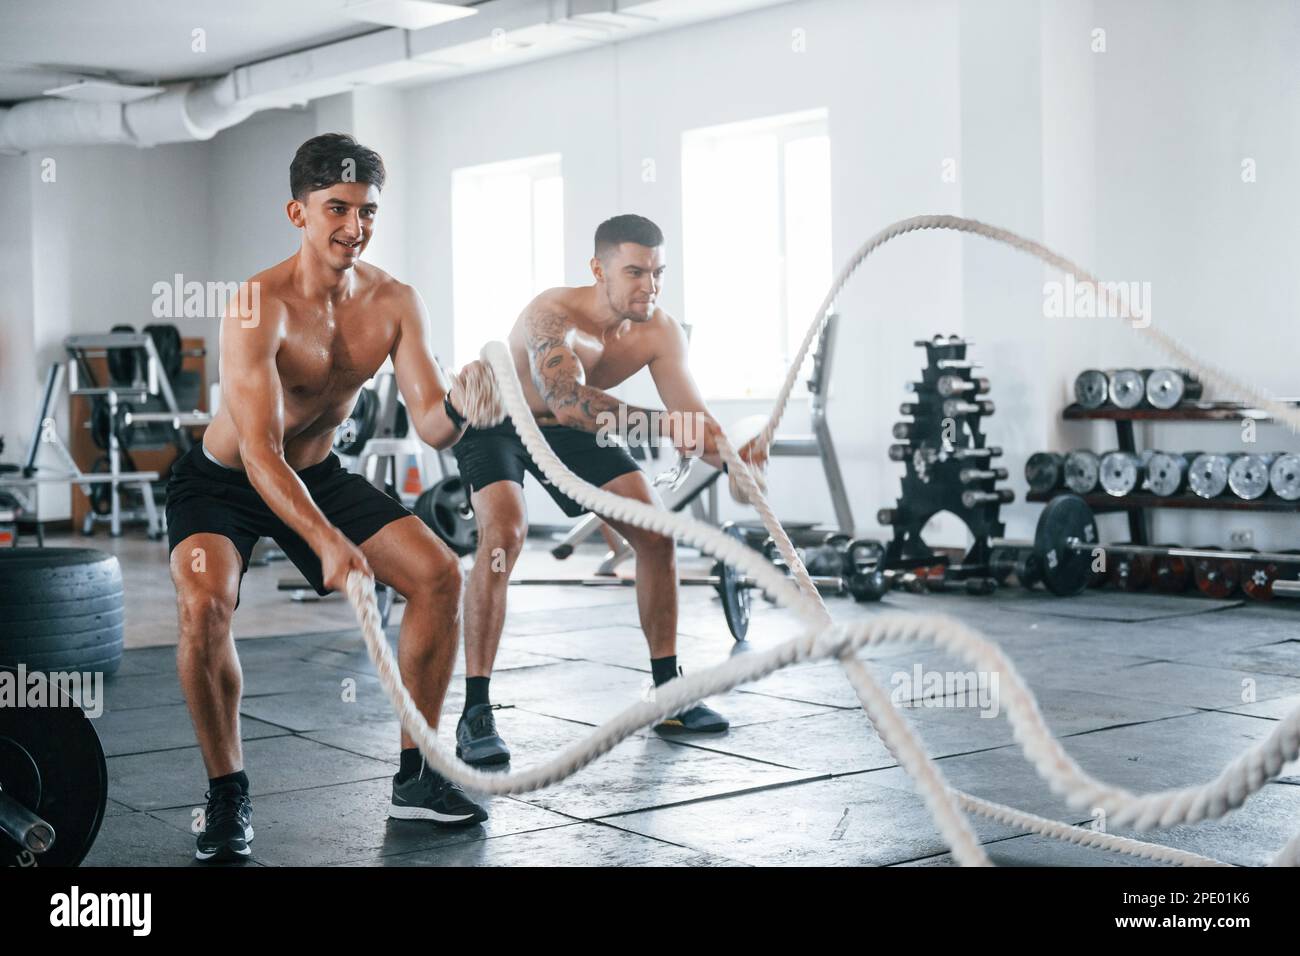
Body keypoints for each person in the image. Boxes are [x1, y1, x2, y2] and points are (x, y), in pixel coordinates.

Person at [167, 133, 486, 862]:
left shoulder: (396, 302)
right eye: (336, 208)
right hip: (225, 483)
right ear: (298, 213)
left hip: (317, 473)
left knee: (440, 576)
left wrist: (467, 403)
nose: (354, 225)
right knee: (203, 606)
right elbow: (258, 452)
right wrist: (325, 541)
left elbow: (434, 423)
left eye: (368, 210)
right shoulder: (257, 305)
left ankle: (417, 777)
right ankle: (227, 792)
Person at [452, 214, 769, 765]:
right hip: (503, 421)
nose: (650, 285)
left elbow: (693, 423)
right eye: (635, 272)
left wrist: (737, 460)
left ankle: (668, 693)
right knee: (504, 536)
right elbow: (567, 400)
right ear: (598, 269)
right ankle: (475, 709)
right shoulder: (551, 314)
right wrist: (664, 427)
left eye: (658, 272)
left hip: (579, 431)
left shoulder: (659, 331)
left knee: (657, 535)